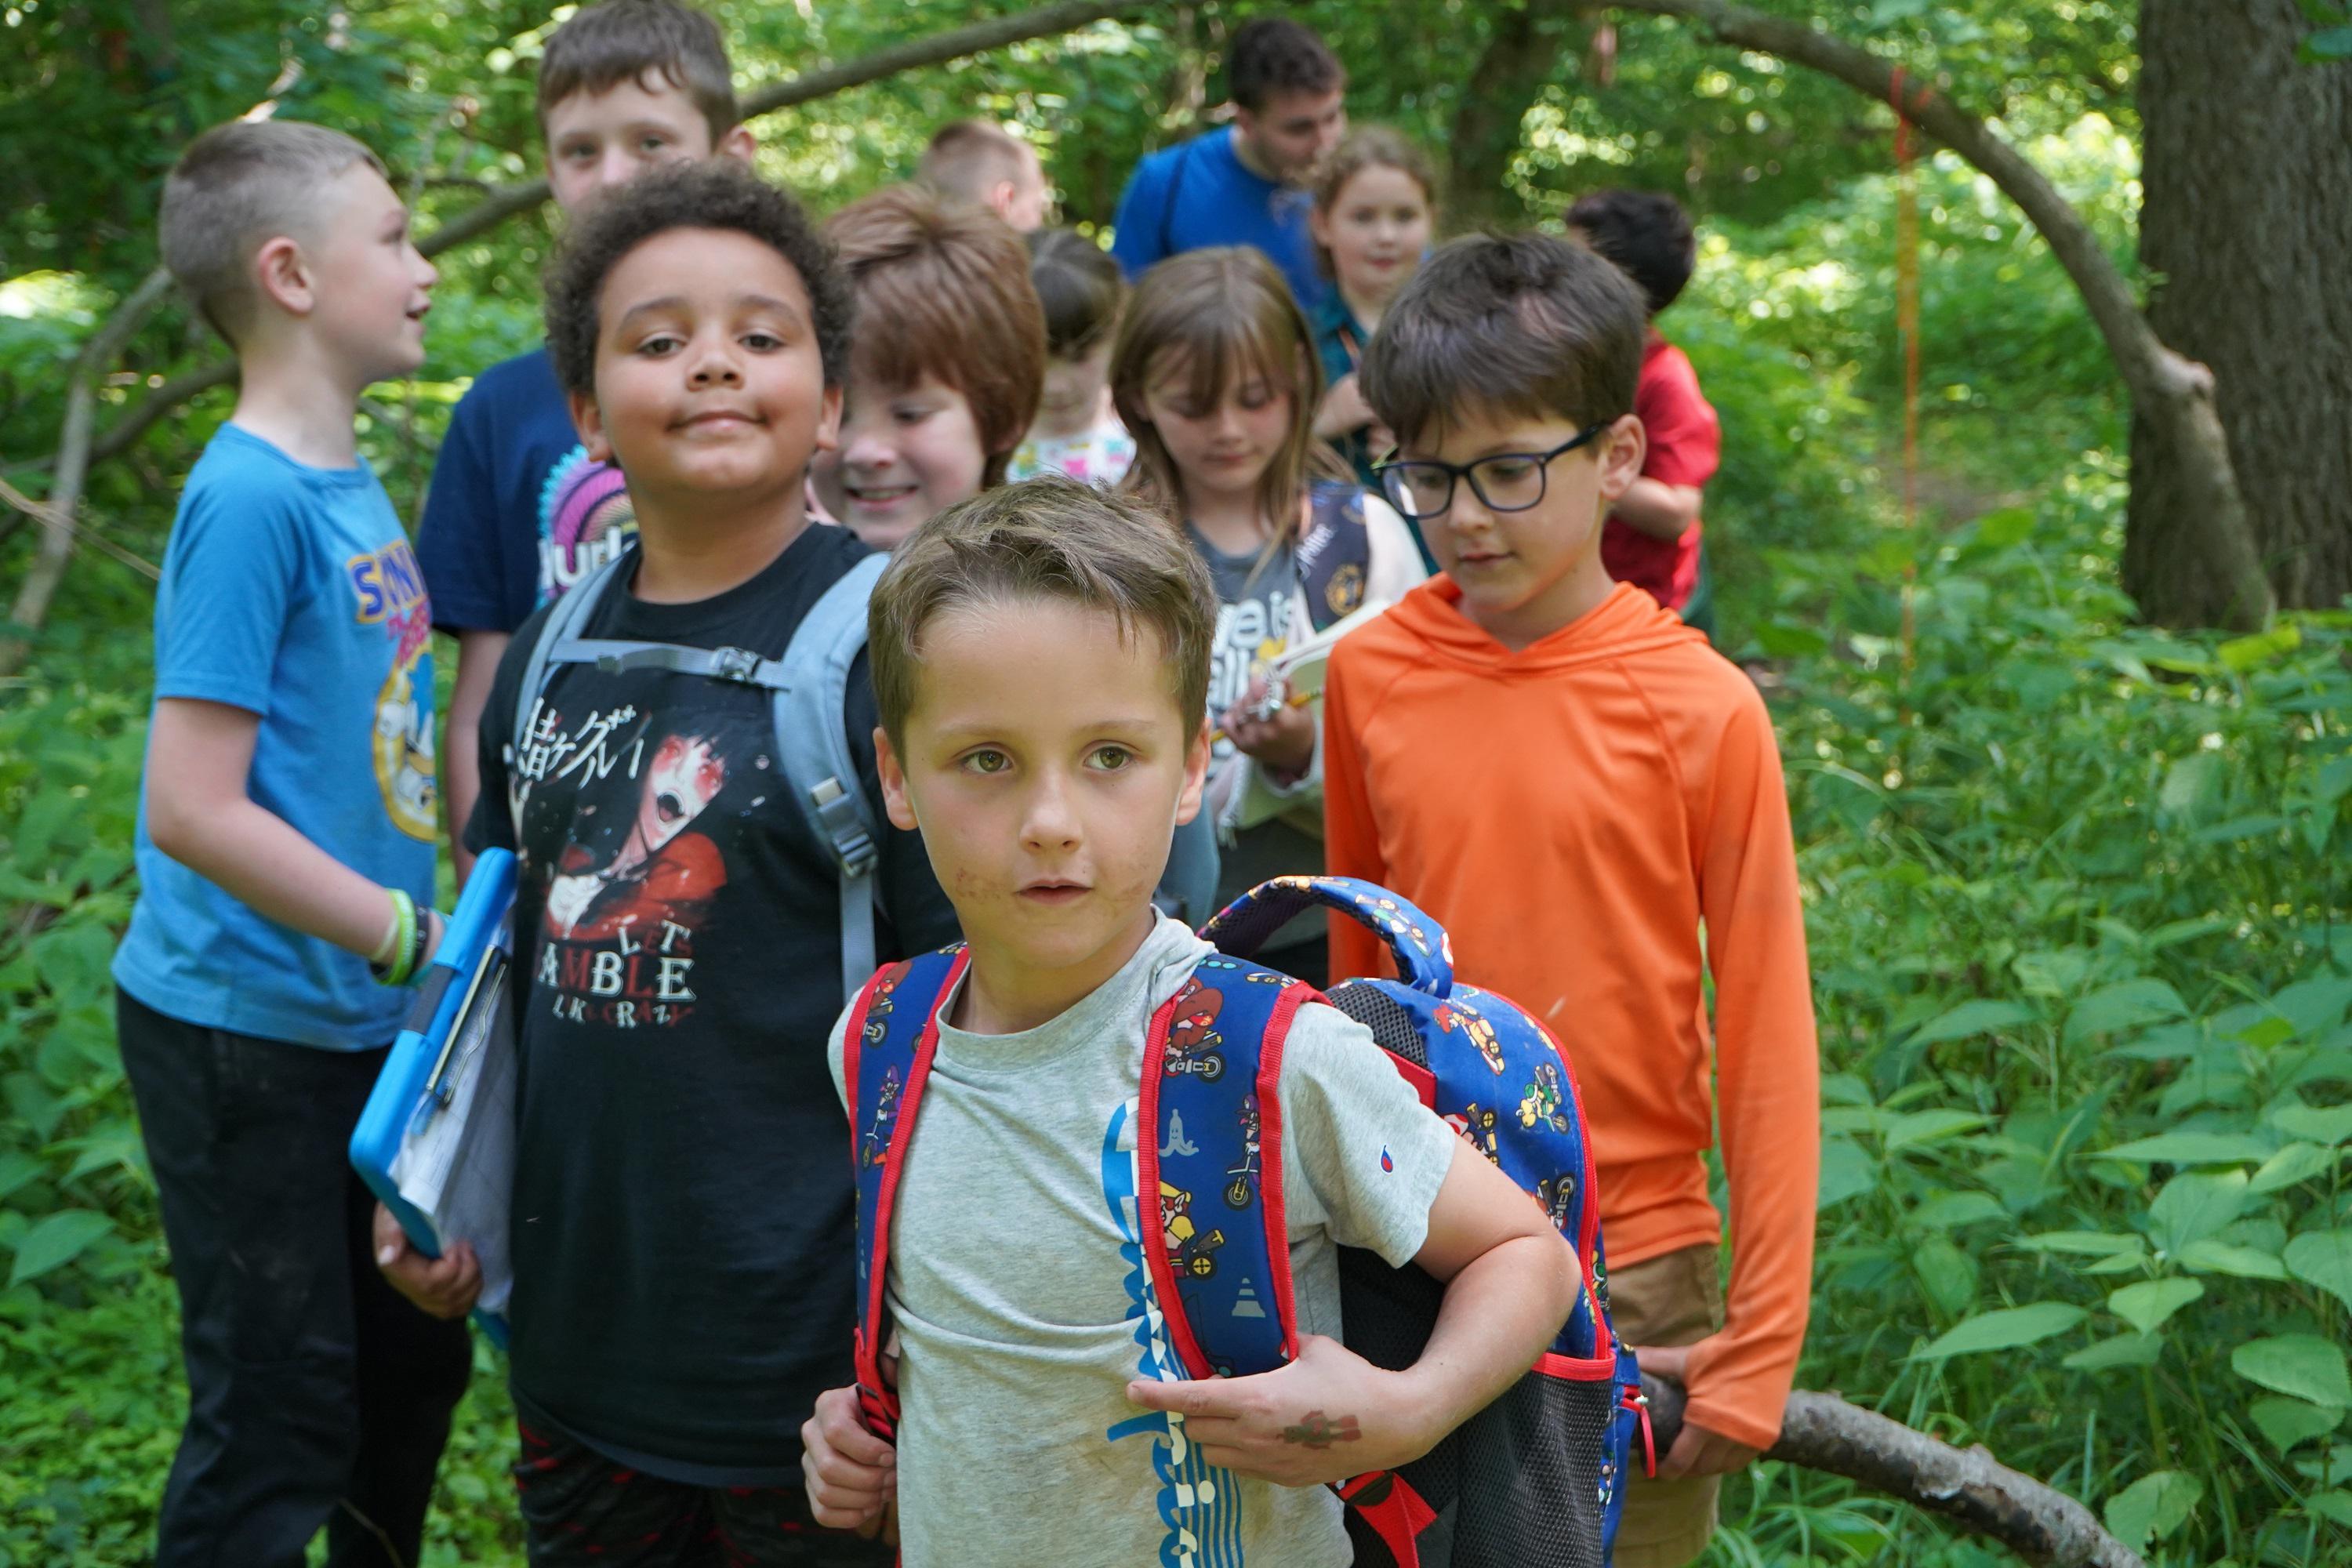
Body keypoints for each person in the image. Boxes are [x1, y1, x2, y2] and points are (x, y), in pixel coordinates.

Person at [795, 477, 1583, 1566]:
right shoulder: (878, 1042)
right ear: (896, 774)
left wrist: (1410, 1408)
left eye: (1110, 756)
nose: (1052, 823)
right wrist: (864, 1429)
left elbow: (1524, 1255)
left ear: (1192, 769)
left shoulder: (1275, 1060)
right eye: (987, 760)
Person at [377, 161, 960, 1566]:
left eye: (763, 337)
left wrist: (930, 1344)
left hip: (818, 1379)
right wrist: (428, 1178)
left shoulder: (899, 649)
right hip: (578, 1347)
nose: (712, 361)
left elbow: (978, 1002)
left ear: (828, 400)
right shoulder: (548, 654)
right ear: (584, 410)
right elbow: (494, 948)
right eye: (657, 339)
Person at [1322, 232, 1820, 1568]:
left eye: (1506, 471)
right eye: (1428, 473)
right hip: (1419, 1238)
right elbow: (1354, 990)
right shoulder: (1370, 676)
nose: (1465, 516)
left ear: (1616, 459)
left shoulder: (1703, 708)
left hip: (1643, 1257)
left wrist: (1761, 1339)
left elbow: (1769, 1029)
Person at [110, 118, 471, 1568]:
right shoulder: (251, 497)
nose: (424, 266)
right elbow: (190, 806)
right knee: (280, 1412)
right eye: (392, 237)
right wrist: (405, 935)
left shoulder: (345, 478)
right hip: (245, 1039)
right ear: (291, 275)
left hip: (367, 1022)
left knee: (407, 1378)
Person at [418, 0, 756, 880]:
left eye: (651, 142)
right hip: (558, 836)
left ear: (731, 157)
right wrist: (487, 911)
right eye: (580, 151)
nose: (614, 177)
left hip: (744, 829)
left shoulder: (782, 384)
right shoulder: (499, 409)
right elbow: (478, 702)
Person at [1111, 246, 1424, 986]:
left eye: (1256, 400)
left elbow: (1419, 759)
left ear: (1299, 385)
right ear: (1138, 397)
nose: (1228, 429)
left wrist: (1299, 753)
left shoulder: (1356, 540)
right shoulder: (1107, 551)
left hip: (1328, 938)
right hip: (1141, 947)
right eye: (1193, 404)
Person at [808, 184, 1044, 552]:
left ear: (1001, 413)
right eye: (840, 411)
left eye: (910, 414)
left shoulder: (1047, 595)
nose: (865, 451)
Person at [1109, 17, 1347, 312]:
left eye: (1333, 117)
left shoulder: (1358, 179)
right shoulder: (1167, 184)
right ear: (1246, 122)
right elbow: (1123, 311)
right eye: (1299, 129)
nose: (1325, 144)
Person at [1569, 188, 1723, 637]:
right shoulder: (1572, 360)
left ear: (1623, 286)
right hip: (1585, 594)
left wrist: (1581, 467)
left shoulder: (1666, 379)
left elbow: (1677, 510)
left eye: (1576, 267)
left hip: (1655, 607)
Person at [1308, 126, 1436, 513]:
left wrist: (1425, 447)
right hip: (1326, 549)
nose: (1385, 235)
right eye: (1363, 217)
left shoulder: (1464, 332)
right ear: (1323, 225)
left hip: (1439, 551)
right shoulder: (1294, 339)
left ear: (1431, 220)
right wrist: (1322, 422)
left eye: (1404, 216)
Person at [1006, 227, 1135, 485]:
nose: (1056, 386)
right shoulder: (986, 442)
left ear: (1117, 330)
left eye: (1080, 357)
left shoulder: (1143, 429)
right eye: (1033, 361)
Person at [915, 118, 1048, 232]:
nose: (1038, 222)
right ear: (1005, 199)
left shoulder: (899, 254)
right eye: (1036, 208)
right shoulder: (1042, 258)